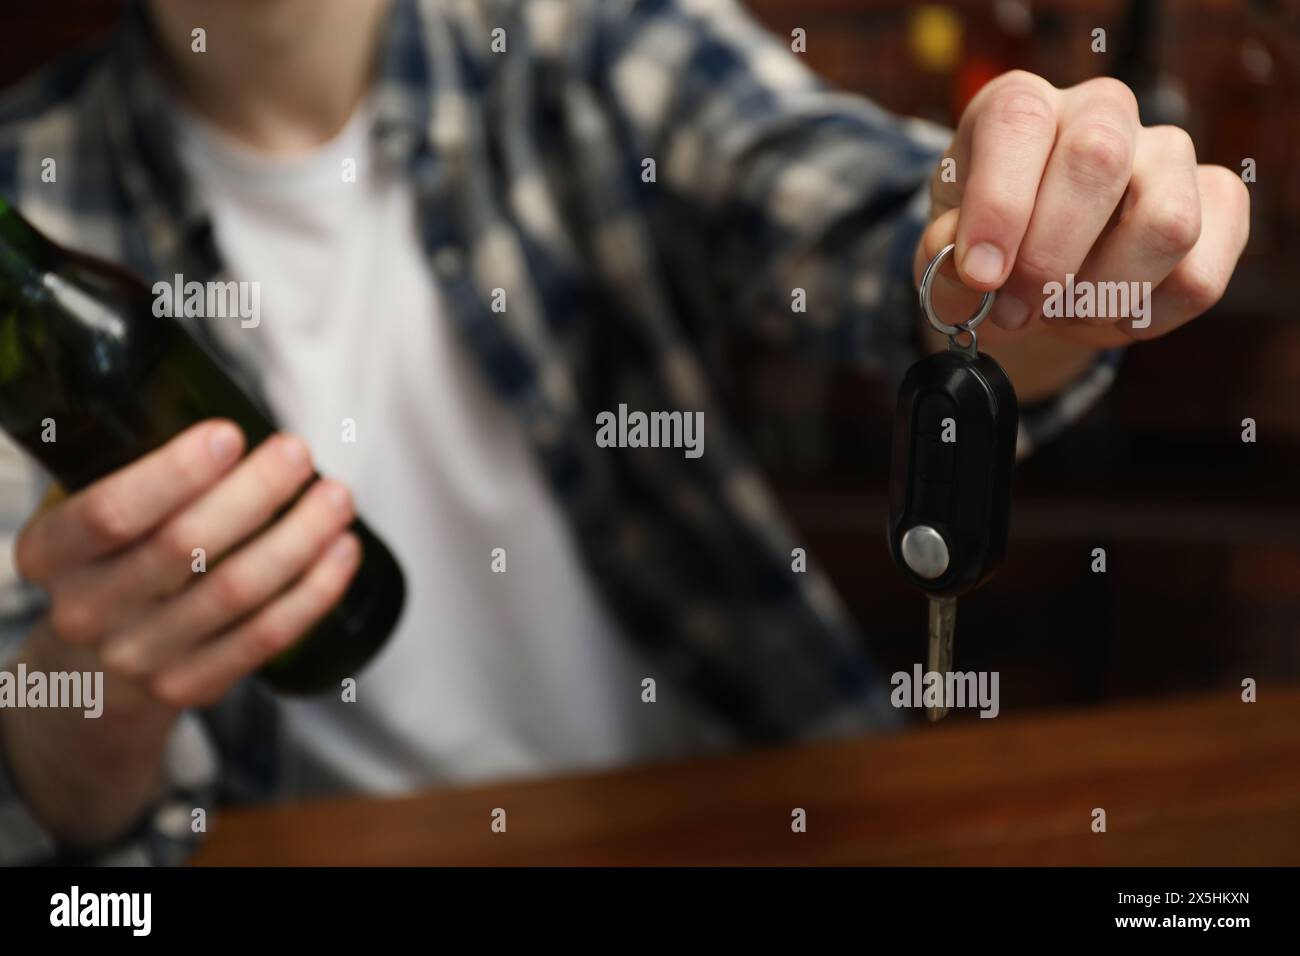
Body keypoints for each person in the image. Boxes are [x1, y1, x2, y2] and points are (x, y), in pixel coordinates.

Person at [0, 0, 1248, 865]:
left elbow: (867, 227)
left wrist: (1037, 248)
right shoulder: (26, 206)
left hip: (735, 812)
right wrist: (86, 698)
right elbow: (59, 811)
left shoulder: (590, 39)